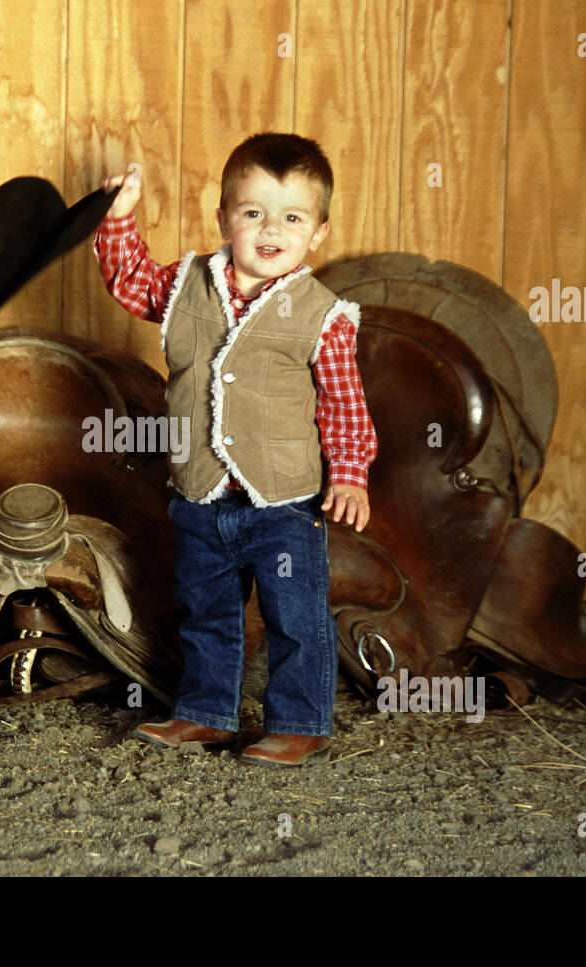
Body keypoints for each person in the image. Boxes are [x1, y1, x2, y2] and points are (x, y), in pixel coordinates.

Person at [93, 132, 377, 767]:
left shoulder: (321, 314)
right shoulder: (186, 283)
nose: (269, 229)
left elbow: (343, 402)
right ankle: (206, 713)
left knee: (294, 616)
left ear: (319, 233)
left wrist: (350, 475)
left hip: (282, 501)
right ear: (223, 218)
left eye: (292, 218)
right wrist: (117, 218)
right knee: (206, 612)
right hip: (200, 494)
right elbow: (130, 282)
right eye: (253, 213)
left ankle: (301, 721)